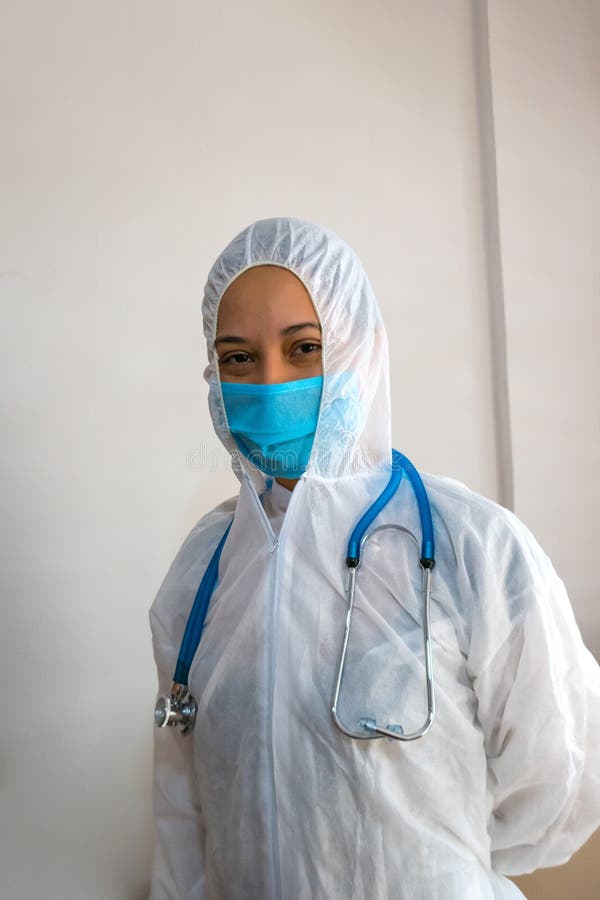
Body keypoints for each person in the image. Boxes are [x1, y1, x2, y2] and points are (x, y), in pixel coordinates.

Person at [148, 216, 600, 899]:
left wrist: (427, 864)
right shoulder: (200, 574)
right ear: (213, 375)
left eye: (304, 348)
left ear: (363, 350)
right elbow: (186, 814)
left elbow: (560, 781)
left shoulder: (474, 549)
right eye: (239, 358)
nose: (270, 382)